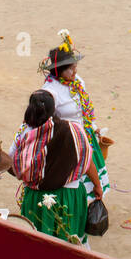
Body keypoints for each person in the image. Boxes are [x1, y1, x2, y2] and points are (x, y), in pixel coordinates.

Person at [11, 90, 102, 244]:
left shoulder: (25, 132)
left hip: (36, 199)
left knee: (36, 243)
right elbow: (88, 161)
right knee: (69, 243)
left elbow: (13, 163)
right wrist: (97, 185)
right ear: (54, 109)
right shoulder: (74, 130)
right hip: (69, 196)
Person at [38, 32, 109, 204]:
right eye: (70, 68)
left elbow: (84, 108)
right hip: (68, 142)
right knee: (77, 178)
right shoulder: (50, 92)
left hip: (86, 134)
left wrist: (93, 126)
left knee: (93, 169)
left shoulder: (77, 81)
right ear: (59, 71)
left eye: (75, 66)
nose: (75, 71)